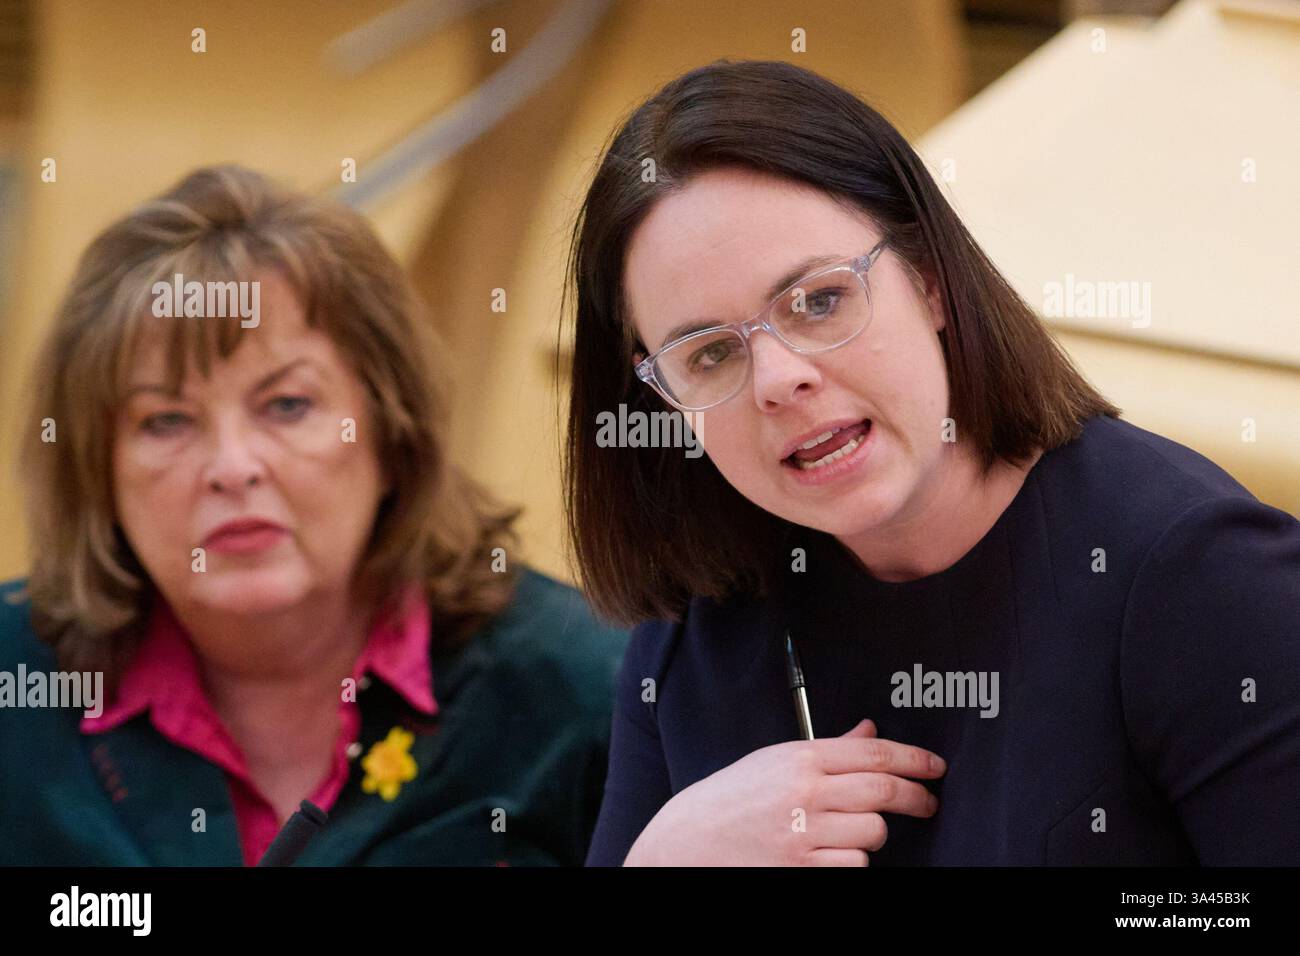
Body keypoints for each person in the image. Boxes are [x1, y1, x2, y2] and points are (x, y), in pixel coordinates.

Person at [563, 60, 1300, 866]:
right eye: (707, 354)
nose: (779, 380)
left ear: (931, 278)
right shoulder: (692, 631)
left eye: (818, 301)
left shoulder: (1200, 573)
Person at [0, 165, 627, 866]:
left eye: (287, 405)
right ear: (96, 465)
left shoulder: (592, 690)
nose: (233, 467)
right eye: (166, 420)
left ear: (391, 428)